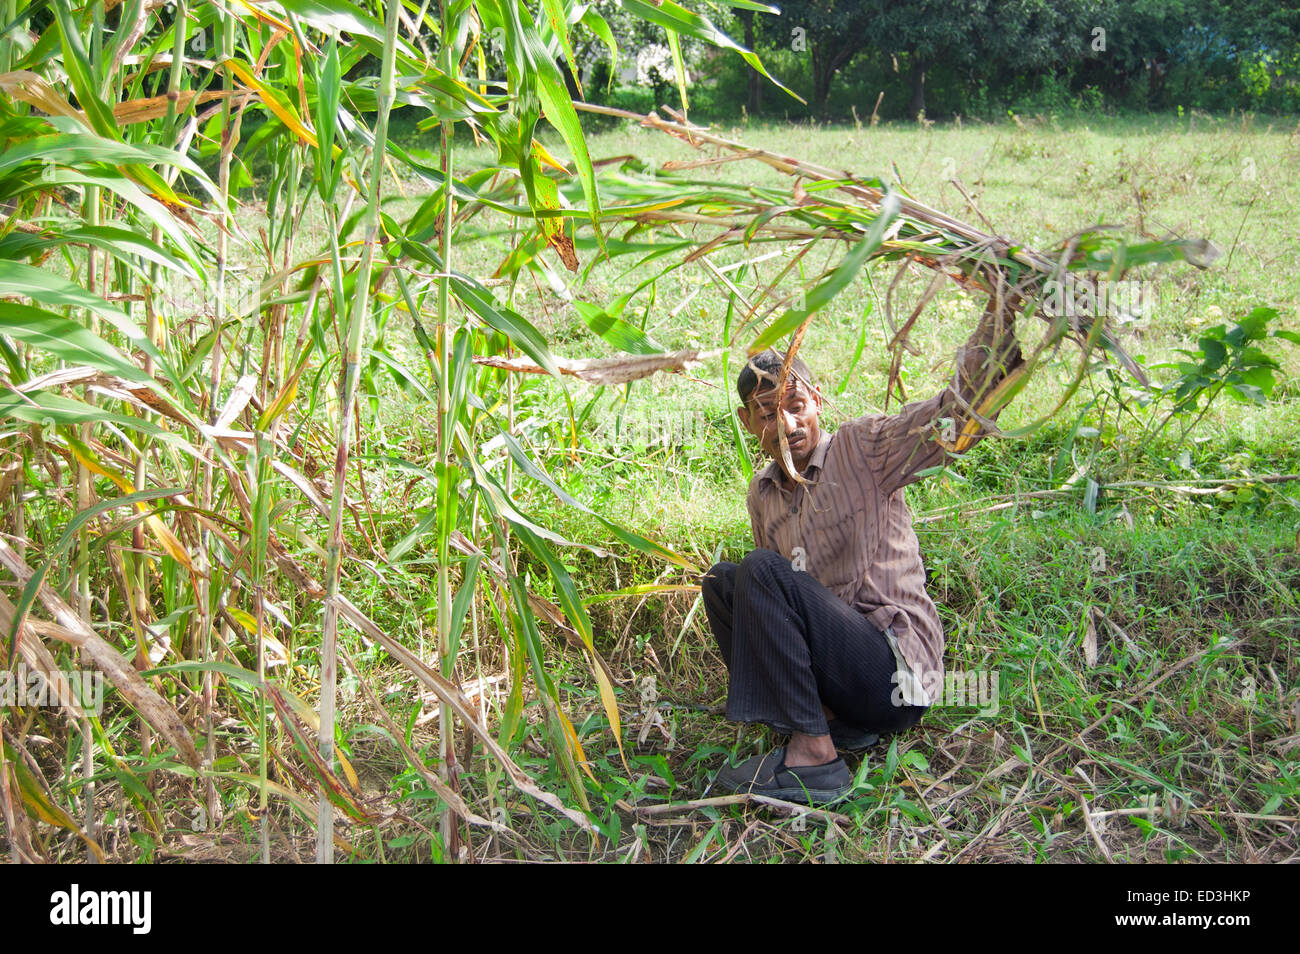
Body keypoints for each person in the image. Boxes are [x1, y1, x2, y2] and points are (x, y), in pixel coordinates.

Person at [703, 294, 1024, 804]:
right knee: (726, 582)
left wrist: (998, 319)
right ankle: (827, 721)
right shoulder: (762, 493)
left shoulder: (864, 448)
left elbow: (953, 421)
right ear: (748, 424)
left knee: (760, 570)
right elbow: (776, 610)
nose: (786, 425)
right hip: (841, 679)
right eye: (767, 413)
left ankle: (815, 759)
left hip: (894, 677)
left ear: (817, 403)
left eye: (795, 406)